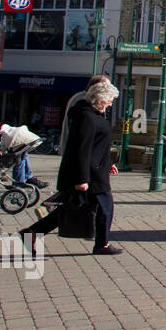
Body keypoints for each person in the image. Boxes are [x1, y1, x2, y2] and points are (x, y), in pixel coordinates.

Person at [20, 80, 123, 255]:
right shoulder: (87, 117)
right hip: (90, 173)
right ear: (100, 98)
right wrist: (81, 179)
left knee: (71, 206)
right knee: (105, 207)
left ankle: (30, 233)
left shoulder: (93, 115)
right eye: (110, 99)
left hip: (96, 170)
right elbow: (81, 149)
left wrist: (109, 164)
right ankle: (102, 244)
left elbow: (98, 146)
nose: (111, 103)